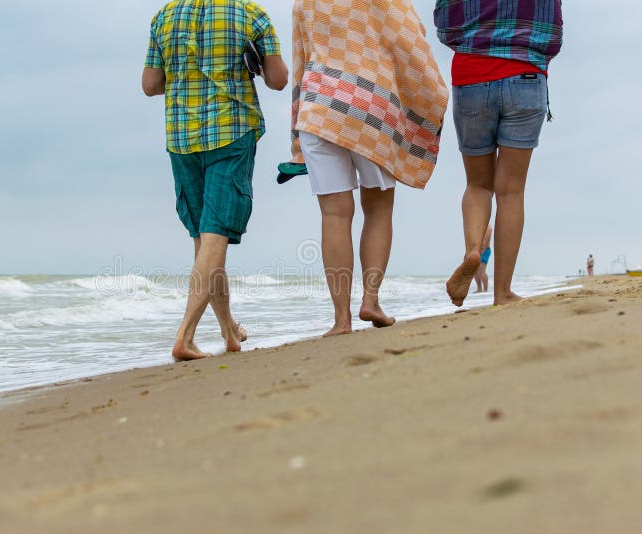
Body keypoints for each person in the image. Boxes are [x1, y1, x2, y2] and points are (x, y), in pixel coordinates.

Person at [289, 0, 448, 336]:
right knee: (378, 209)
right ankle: (371, 300)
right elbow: (411, 43)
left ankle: (340, 320)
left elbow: (300, 60)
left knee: (334, 215)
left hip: (318, 107)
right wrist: (434, 94)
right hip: (371, 106)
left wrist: (295, 135)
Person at [142, 0, 289, 360]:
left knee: (206, 239)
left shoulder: (164, 16)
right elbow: (278, 80)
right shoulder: (251, 14)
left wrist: (184, 76)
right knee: (215, 238)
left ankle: (228, 331)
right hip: (230, 132)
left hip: (182, 138)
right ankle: (185, 337)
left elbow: (150, 84)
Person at [435, 0, 563, 306]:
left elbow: (444, 25)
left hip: (471, 79)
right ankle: (502, 292)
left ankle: (472, 251)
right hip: (527, 76)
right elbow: (555, 31)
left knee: (478, 184)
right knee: (511, 192)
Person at [474, 225, 492, 293]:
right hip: (477, 250)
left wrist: (482, 252)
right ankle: (479, 289)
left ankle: (485, 290)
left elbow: (486, 241)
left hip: (484, 251)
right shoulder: (478, 225)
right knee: (475, 272)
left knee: (482, 271)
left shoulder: (488, 227)